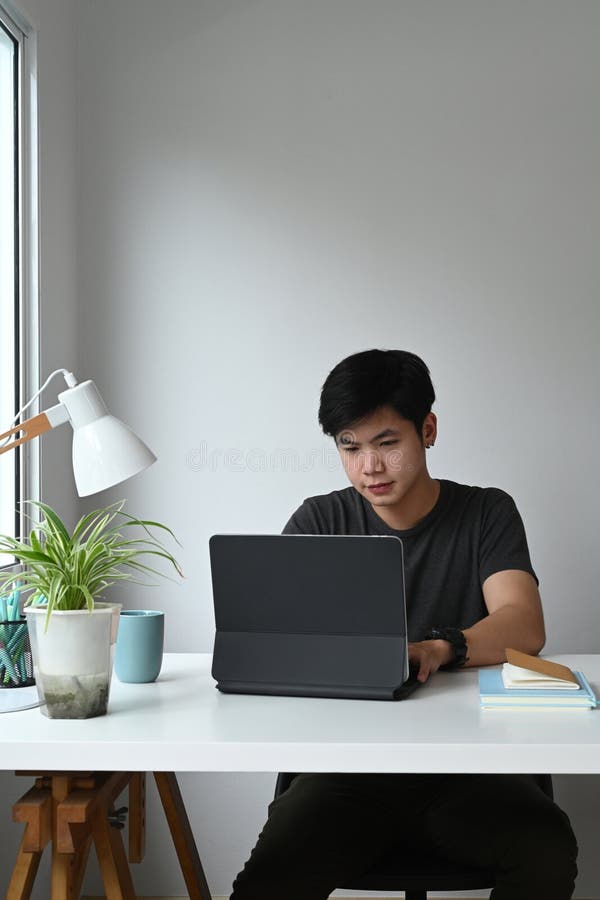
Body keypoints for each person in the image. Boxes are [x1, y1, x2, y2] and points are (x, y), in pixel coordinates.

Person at [230, 349, 578, 900]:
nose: (369, 467)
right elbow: (281, 639)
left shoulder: (486, 512)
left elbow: (523, 622)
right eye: (350, 447)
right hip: (346, 777)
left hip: (468, 775)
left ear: (428, 430)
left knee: (546, 848)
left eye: (387, 444)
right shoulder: (321, 520)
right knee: (268, 879)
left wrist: (445, 647)